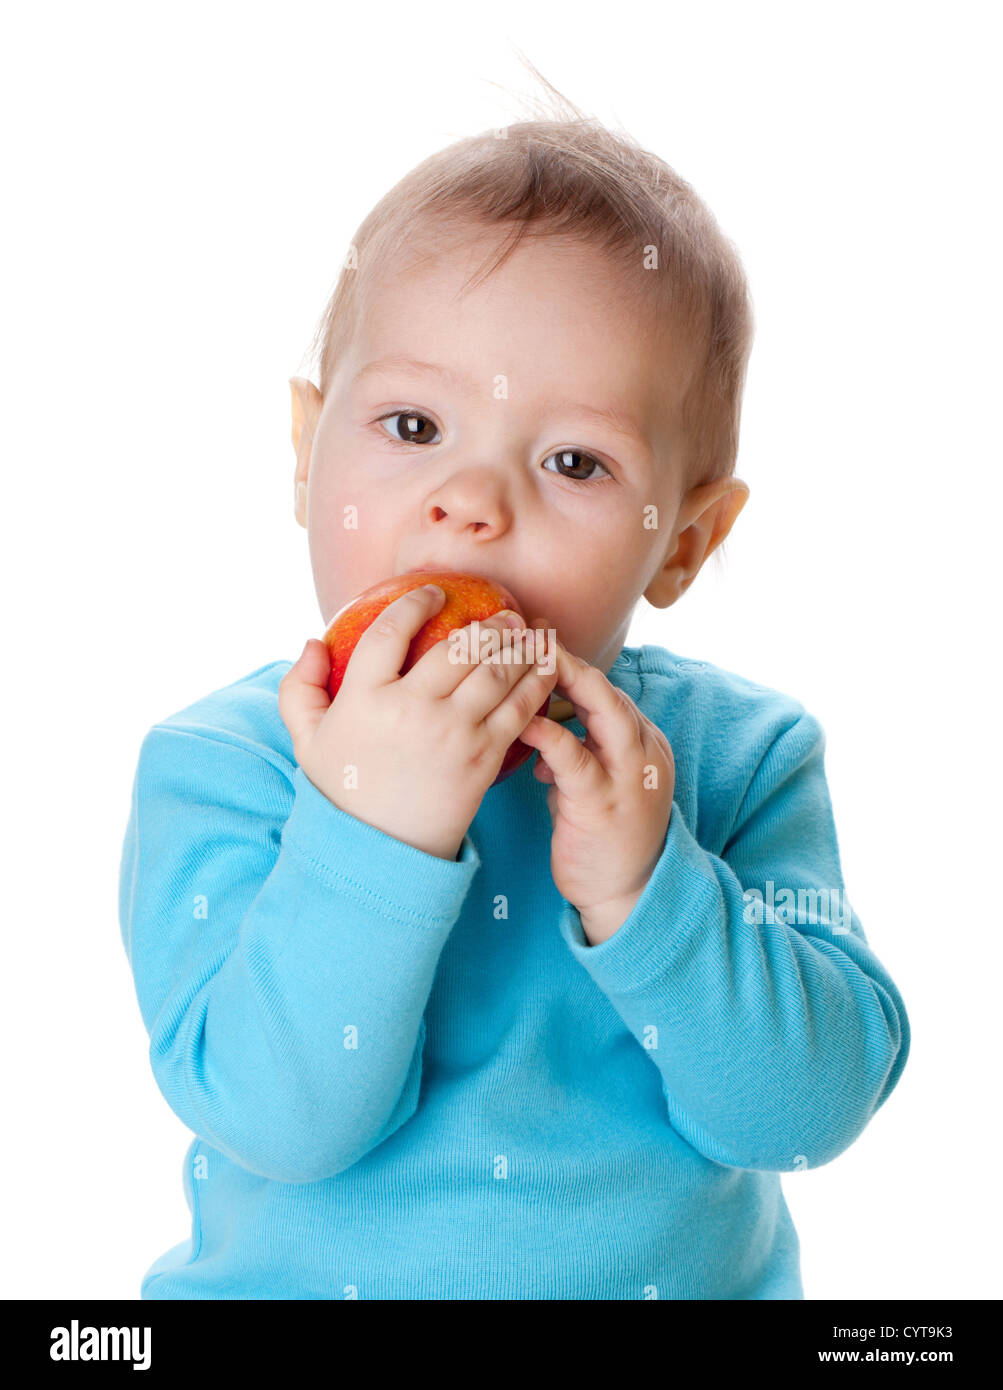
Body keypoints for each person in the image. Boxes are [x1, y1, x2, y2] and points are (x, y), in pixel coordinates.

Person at [118, 85, 910, 1299]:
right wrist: (367, 836)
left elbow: (803, 1113)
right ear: (304, 453)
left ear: (684, 544)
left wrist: (655, 894)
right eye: (412, 421)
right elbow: (279, 1122)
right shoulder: (227, 765)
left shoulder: (735, 759)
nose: (472, 501)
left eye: (573, 461)